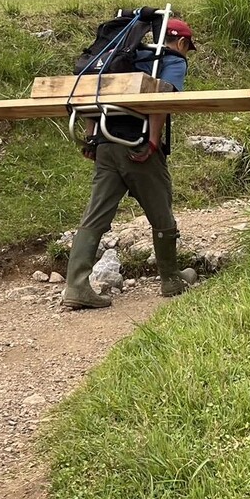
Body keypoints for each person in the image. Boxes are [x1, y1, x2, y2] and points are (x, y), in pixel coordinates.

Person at [61, 17, 196, 310]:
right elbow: (161, 99)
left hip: (106, 143)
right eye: (188, 48)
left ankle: (76, 286)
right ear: (183, 43)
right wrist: (152, 141)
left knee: (96, 214)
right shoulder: (171, 60)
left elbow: (92, 95)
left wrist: (91, 138)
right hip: (137, 144)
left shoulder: (117, 56)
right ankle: (171, 278)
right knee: (161, 210)